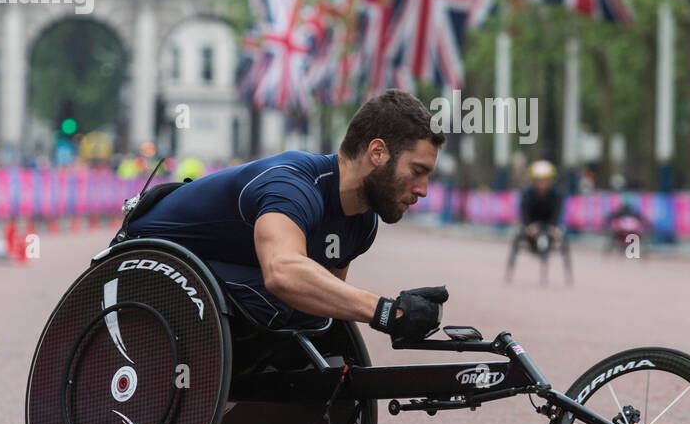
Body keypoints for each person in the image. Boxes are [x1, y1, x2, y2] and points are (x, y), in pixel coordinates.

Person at [122, 88, 449, 343]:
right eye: (417, 171)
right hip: (140, 268)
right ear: (377, 153)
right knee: (283, 299)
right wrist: (388, 312)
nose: (423, 189)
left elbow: (327, 303)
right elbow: (282, 273)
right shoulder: (292, 184)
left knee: (315, 316)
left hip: (211, 284)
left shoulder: (362, 223)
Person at [505, 159, 570, 282]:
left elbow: (558, 213)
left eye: (545, 180)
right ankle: (509, 273)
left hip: (551, 226)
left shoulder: (558, 193)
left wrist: (554, 227)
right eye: (539, 181)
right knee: (517, 237)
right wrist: (529, 226)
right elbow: (524, 214)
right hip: (532, 227)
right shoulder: (526, 193)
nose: (542, 184)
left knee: (562, 236)